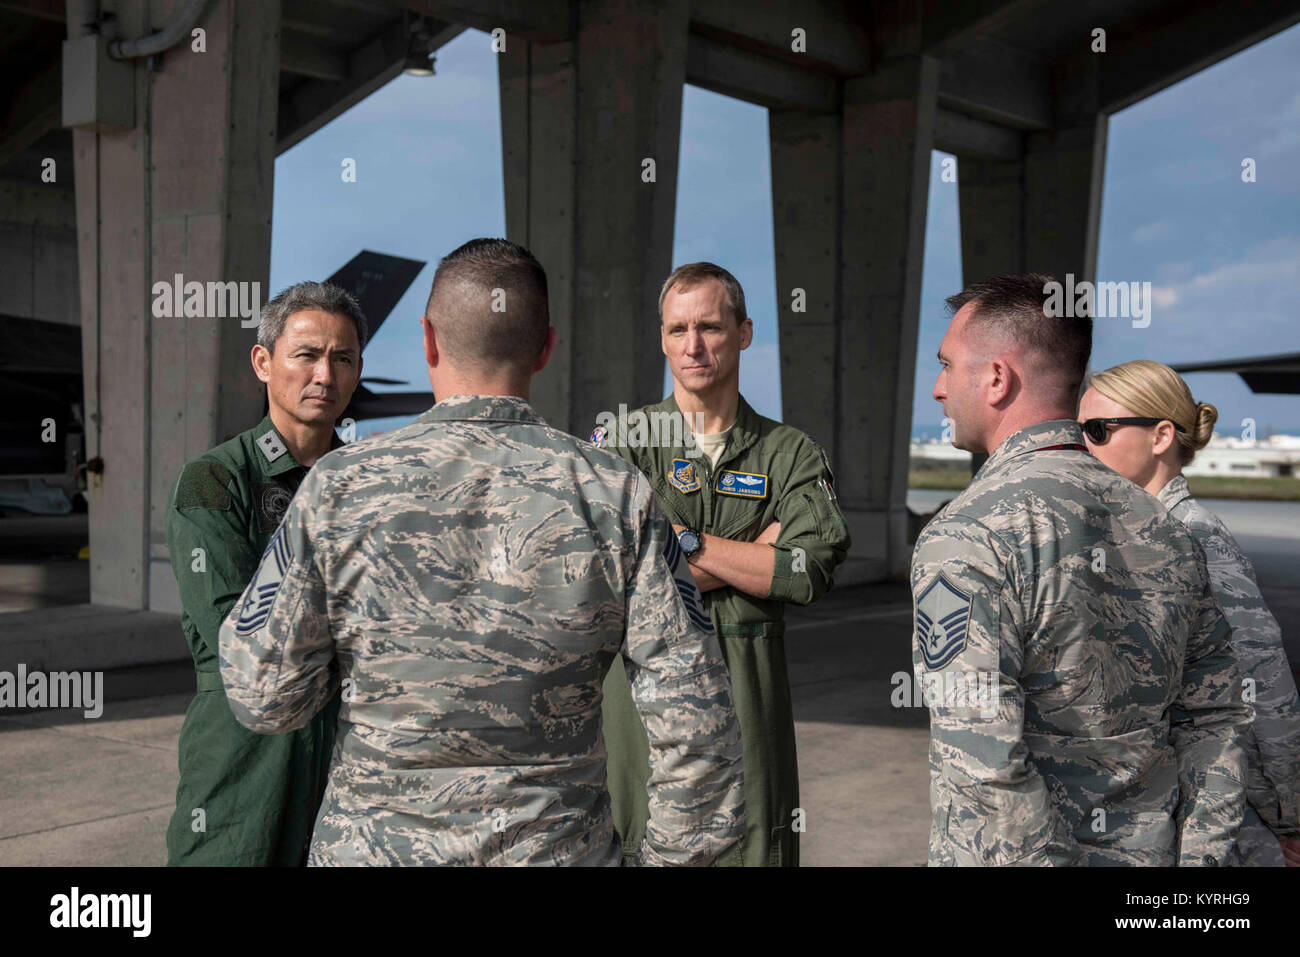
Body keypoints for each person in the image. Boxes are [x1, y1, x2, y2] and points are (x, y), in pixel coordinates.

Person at [218, 238, 745, 866]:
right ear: (547, 347)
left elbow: (262, 694)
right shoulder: (617, 494)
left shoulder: (339, 487)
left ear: (428, 342)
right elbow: (698, 724)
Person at [913, 274, 1251, 866]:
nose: (939, 389)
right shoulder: (1167, 528)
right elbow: (1215, 719)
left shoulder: (968, 535)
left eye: (947, 365)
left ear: (996, 378)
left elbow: (981, 760)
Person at [594, 261, 851, 867]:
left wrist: (684, 542)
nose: (693, 345)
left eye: (710, 326)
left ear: (744, 332)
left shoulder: (789, 453)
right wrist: (756, 551)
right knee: (635, 843)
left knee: (754, 849)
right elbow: (608, 572)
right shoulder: (625, 441)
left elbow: (807, 569)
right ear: (661, 338)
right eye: (677, 328)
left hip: (748, 693)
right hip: (638, 705)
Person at [165, 281, 364, 865]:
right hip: (245, 749)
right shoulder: (214, 481)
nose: (324, 375)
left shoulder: (365, 483)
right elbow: (239, 631)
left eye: (342, 359)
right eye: (306, 355)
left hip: (349, 752)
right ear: (263, 361)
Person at [1081, 359, 1300, 867]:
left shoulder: (1197, 539)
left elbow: (1262, 691)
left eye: (1099, 430)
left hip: (1222, 822)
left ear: (1160, 436)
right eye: (1079, 432)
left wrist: (1290, 819)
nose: (1085, 447)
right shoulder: (1132, 536)